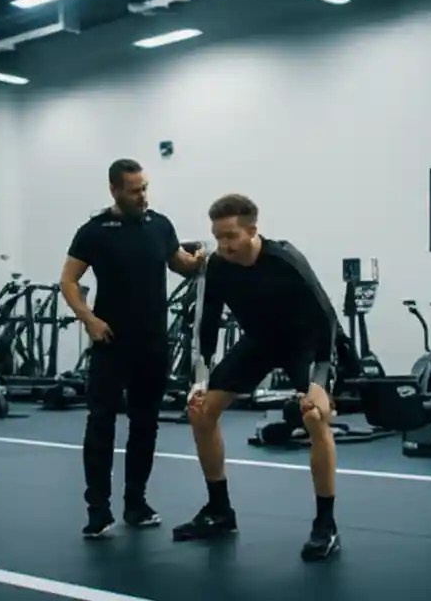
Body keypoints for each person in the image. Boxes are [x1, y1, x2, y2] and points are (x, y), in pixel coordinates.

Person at [175, 193, 343, 562]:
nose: (224, 245)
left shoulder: (285, 260)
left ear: (253, 230)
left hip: (304, 342)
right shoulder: (218, 265)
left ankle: (325, 525)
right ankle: (220, 511)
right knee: (201, 411)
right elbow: (208, 323)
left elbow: (326, 319)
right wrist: (200, 380)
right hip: (260, 342)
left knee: (315, 417)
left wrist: (318, 380)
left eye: (231, 236)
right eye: (218, 237)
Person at [60, 158, 207, 539]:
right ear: (114, 190)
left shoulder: (159, 225)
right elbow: (68, 282)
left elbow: (182, 265)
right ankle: (97, 508)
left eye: (145, 188)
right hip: (111, 342)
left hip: (152, 343)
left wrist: (202, 260)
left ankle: (136, 503)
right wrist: (89, 319)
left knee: (145, 425)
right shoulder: (94, 232)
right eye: (134, 190)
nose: (143, 196)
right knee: (101, 424)